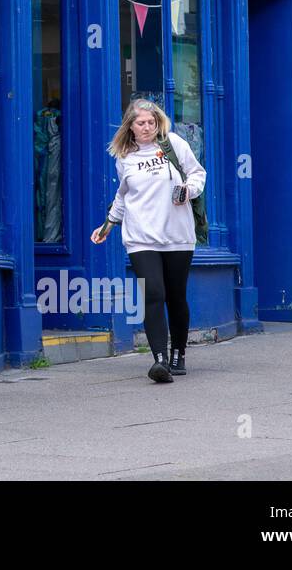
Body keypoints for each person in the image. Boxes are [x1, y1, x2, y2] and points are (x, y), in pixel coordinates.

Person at [91, 100, 205, 384]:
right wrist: (108, 224)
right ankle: (159, 360)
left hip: (177, 235)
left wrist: (188, 190)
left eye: (151, 122)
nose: (147, 127)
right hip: (141, 236)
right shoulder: (125, 157)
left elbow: (198, 174)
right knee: (153, 293)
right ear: (130, 125)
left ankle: (178, 353)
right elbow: (123, 195)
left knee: (176, 296)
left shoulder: (174, 144)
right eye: (141, 123)